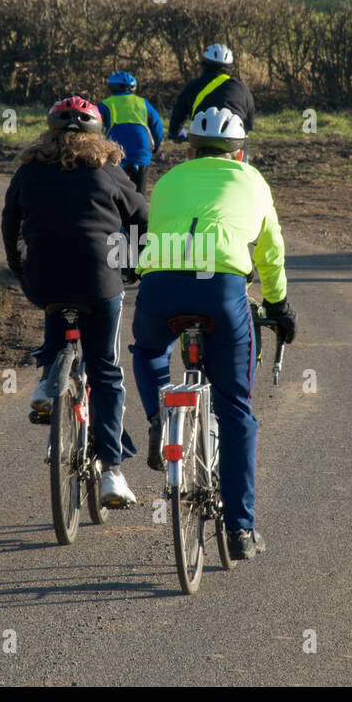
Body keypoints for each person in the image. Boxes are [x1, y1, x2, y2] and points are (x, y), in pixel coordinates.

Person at [130, 105, 296, 560]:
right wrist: (279, 305)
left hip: (160, 286)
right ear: (239, 154)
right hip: (220, 290)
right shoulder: (253, 181)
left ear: (190, 151)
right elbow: (270, 252)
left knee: (148, 351)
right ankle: (241, 529)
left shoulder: (168, 180)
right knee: (236, 411)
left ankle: (160, 419)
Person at [1, 96, 148, 507]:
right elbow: (141, 217)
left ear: (49, 132)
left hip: (43, 279)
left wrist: (18, 265)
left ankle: (49, 381)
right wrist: (132, 264)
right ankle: (112, 472)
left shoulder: (29, 170)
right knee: (105, 369)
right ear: (98, 135)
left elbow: (10, 220)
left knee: (57, 302)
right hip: (99, 278)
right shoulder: (109, 171)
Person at [167, 44, 255, 142]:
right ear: (230, 67)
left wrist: (175, 133)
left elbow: (177, 117)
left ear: (204, 64)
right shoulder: (241, 88)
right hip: (232, 141)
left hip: (201, 139)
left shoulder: (192, 86)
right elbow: (250, 123)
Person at [97, 70, 165, 195]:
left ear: (111, 88)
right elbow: (157, 125)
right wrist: (156, 145)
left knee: (116, 191)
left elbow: (95, 127)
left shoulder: (106, 104)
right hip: (141, 152)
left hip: (116, 152)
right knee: (140, 193)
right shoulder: (143, 102)